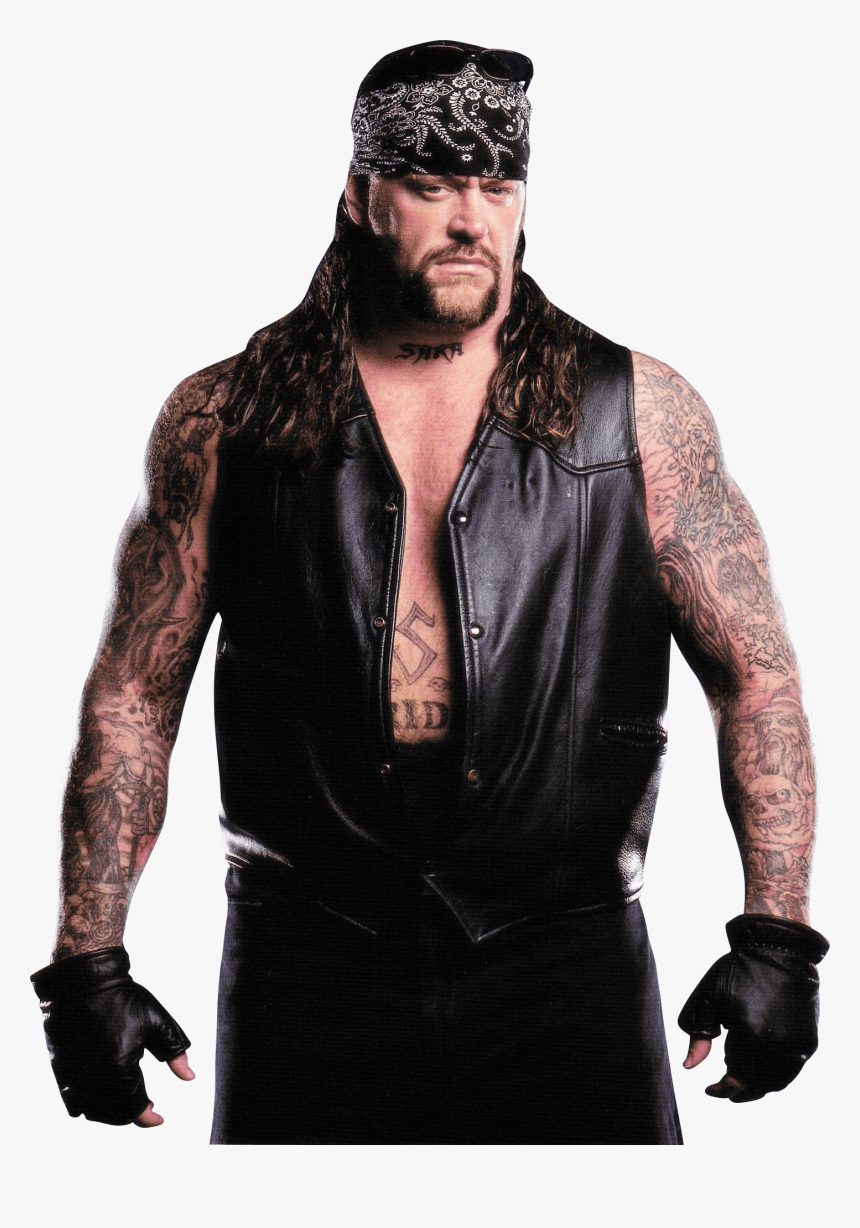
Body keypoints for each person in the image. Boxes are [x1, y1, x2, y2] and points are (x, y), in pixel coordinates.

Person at [31, 39, 828, 1146]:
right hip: (305, 966)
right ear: (360, 197)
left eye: (497, 187)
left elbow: (756, 677)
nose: (469, 220)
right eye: (432, 184)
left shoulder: (639, 412)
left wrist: (777, 939)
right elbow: (133, 691)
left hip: (568, 968)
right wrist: (87, 962)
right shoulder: (226, 419)